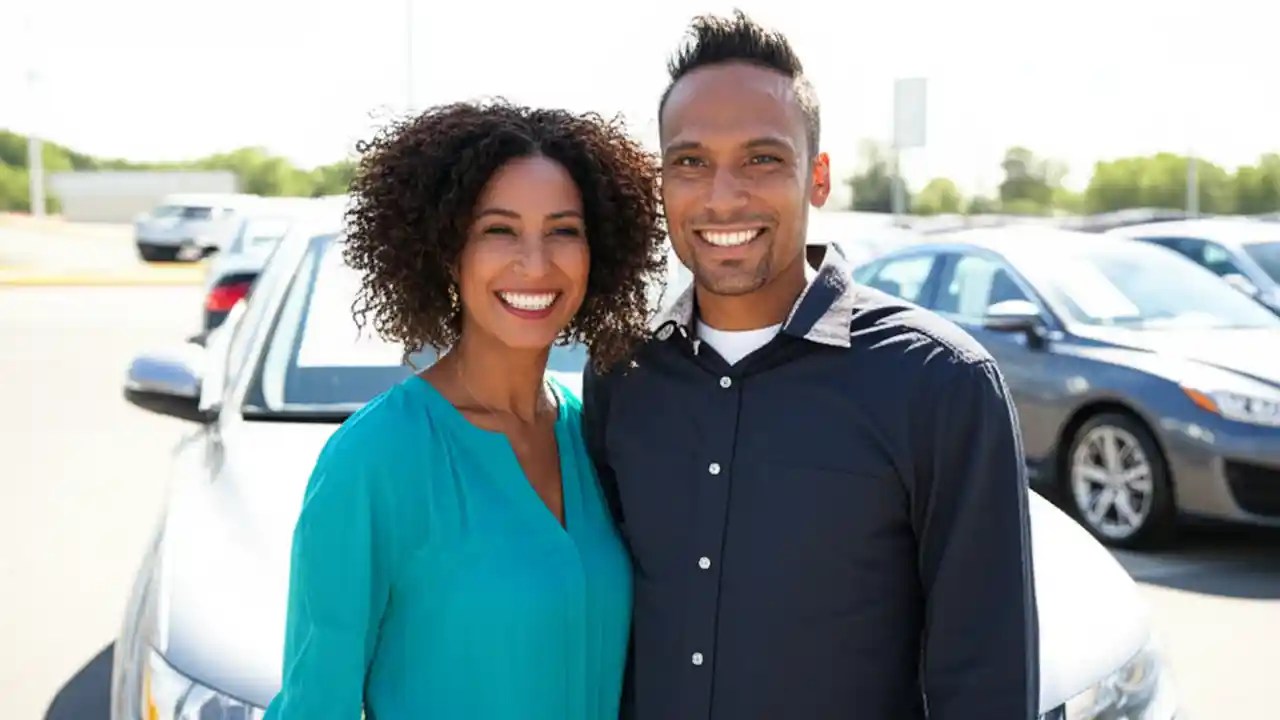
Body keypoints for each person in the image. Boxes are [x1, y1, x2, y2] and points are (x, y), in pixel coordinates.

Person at [582, 11, 1039, 720]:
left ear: (817, 177)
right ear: (663, 182)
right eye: (691, 161)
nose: (722, 196)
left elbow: (985, 679)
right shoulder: (622, 375)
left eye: (762, 159)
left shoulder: (941, 383)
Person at [263, 100, 667, 719]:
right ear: (447, 251)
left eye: (563, 230)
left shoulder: (591, 433)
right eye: (498, 230)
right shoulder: (376, 459)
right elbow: (316, 703)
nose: (535, 263)